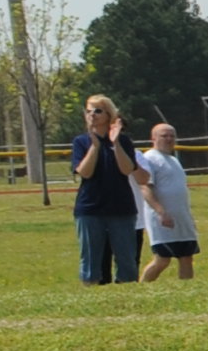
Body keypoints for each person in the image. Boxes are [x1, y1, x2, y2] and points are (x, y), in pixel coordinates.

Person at [69, 94, 143, 285]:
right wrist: (95, 146)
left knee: (126, 258)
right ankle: (90, 288)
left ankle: (127, 290)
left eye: (98, 110)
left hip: (121, 208)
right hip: (90, 209)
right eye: (88, 110)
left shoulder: (124, 141)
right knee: (90, 257)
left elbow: (127, 169)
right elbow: (85, 173)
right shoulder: (81, 142)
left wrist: (115, 143)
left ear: (109, 114)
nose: (92, 114)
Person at [134, 121, 199, 282]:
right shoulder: (150, 158)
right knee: (162, 259)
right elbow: (145, 188)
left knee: (186, 256)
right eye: (164, 136)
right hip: (162, 219)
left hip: (181, 218)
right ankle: (142, 287)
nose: (169, 139)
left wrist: (189, 217)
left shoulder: (173, 160)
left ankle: (187, 291)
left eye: (172, 136)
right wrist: (161, 212)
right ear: (153, 138)